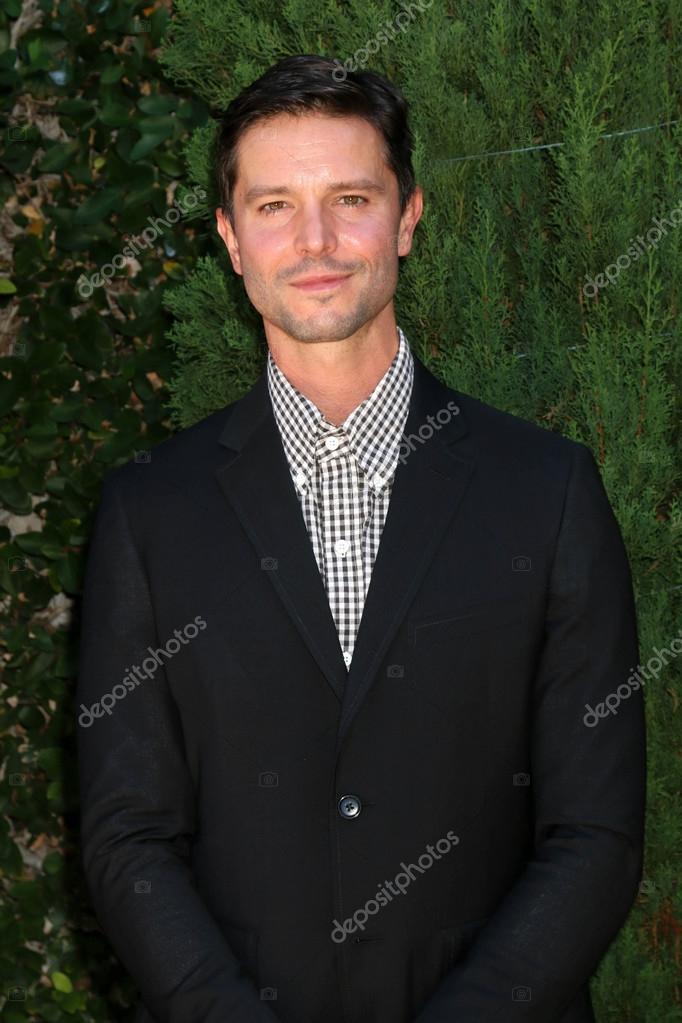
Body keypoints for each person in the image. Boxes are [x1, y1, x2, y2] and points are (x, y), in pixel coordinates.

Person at [77, 54, 646, 1023]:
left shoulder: (545, 491)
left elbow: (594, 833)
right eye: (273, 207)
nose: (315, 240)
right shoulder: (148, 511)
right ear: (228, 238)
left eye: (350, 198)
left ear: (408, 218)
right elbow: (127, 835)